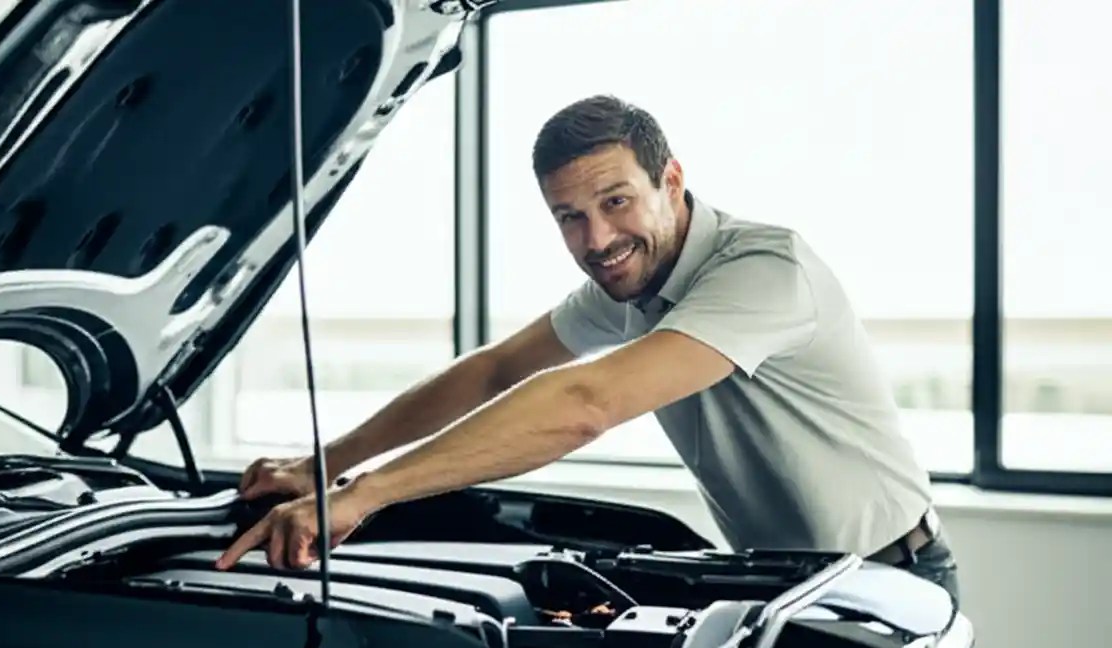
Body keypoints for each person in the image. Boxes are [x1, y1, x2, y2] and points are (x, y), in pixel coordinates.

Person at [214, 94, 961, 603]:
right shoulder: (628, 282)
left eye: (615, 202)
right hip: (783, 585)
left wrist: (364, 496)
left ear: (671, 179)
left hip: (891, 578)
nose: (597, 240)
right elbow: (496, 369)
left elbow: (585, 403)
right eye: (569, 217)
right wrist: (325, 464)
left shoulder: (765, 272)